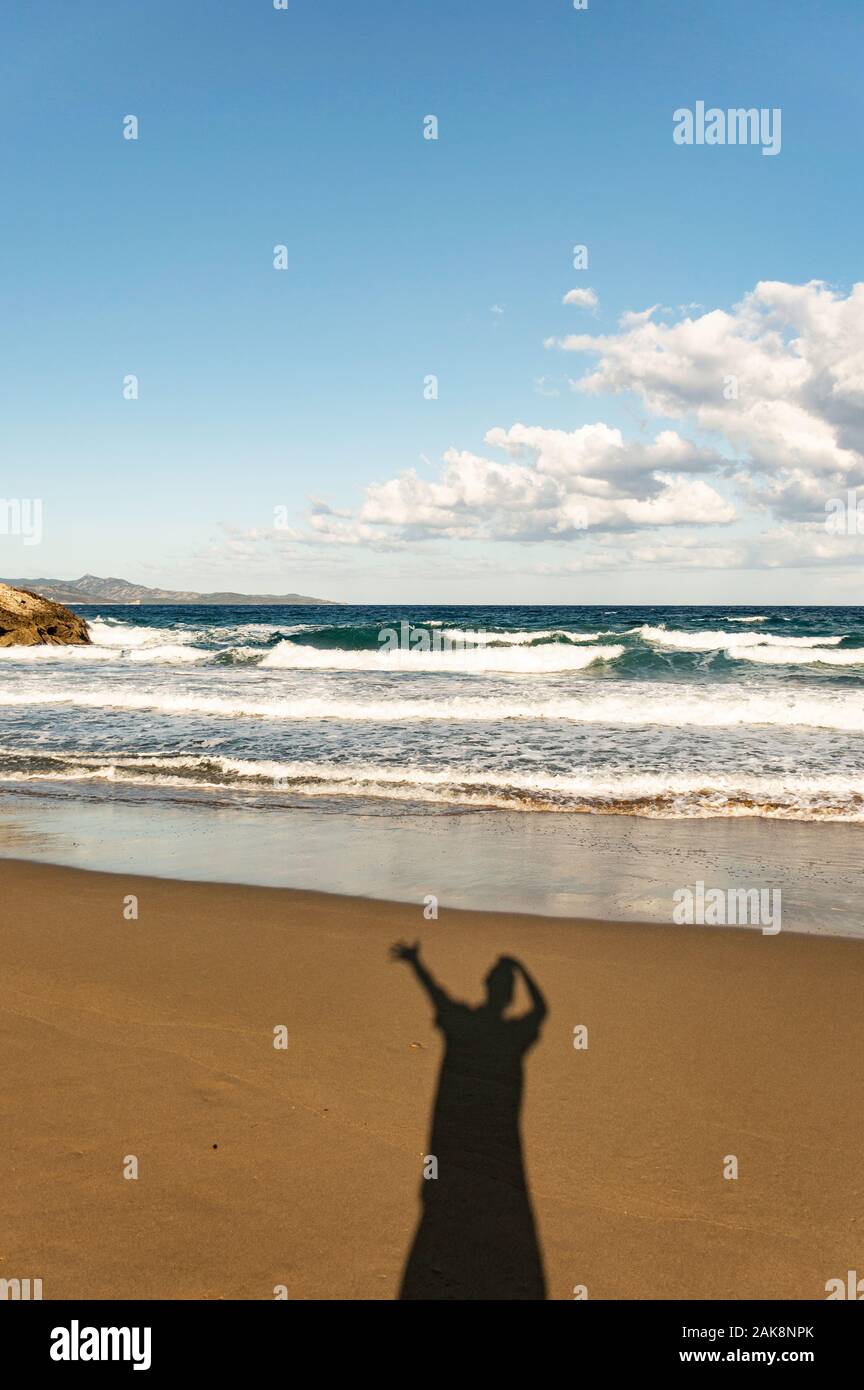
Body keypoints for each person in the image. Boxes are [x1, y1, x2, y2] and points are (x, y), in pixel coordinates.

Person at [391, 940, 548, 1300]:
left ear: (486, 987)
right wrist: (521, 968)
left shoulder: (461, 1023)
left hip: (446, 1143)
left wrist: (415, 962)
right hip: (500, 1148)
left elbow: (435, 994)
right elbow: (542, 1009)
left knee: (444, 1220)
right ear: (509, 997)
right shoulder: (512, 1036)